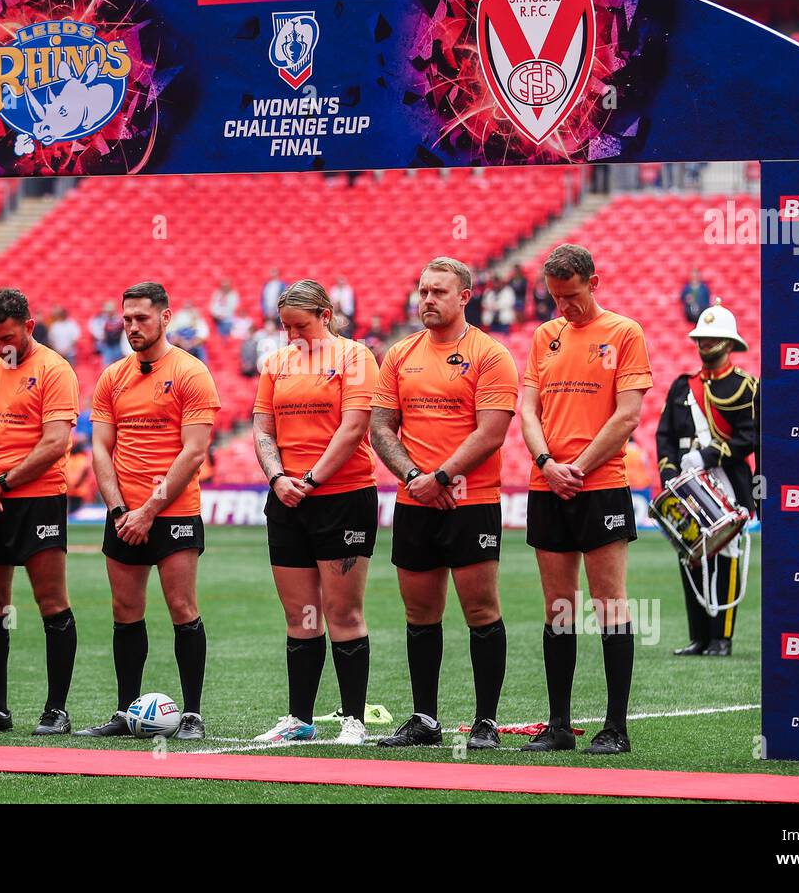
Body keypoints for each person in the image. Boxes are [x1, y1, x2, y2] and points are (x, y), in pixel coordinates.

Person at [371, 257, 519, 750]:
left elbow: (492, 431)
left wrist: (441, 476)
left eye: (438, 291)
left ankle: (486, 722)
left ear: (464, 297)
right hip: (414, 500)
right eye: (422, 290)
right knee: (420, 613)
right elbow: (381, 428)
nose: (427, 299)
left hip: (470, 500)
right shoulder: (399, 354)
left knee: (480, 609)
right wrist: (416, 477)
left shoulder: (491, 355)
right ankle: (424, 719)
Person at [520, 244, 652, 755]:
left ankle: (615, 727)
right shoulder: (543, 336)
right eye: (555, 298)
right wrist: (547, 465)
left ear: (593, 284)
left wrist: (578, 467)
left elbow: (627, 416)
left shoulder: (624, 333)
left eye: (571, 296)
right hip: (547, 485)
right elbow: (527, 410)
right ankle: (558, 726)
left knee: (610, 604)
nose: (563, 308)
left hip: (600, 485)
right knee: (558, 607)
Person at [78, 282, 221, 741]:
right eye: (126, 320)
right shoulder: (111, 377)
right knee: (125, 611)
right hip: (123, 513)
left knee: (182, 607)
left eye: (141, 318)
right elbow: (100, 448)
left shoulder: (191, 372)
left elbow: (194, 452)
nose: (133, 327)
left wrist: (149, 509)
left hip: (174, 511)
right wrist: (121, 509)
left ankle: (193, 714)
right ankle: (125, 711)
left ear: (165, 318)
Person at [251, 281, 381, 745]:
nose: (291, 336)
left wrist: (310, 480)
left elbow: (353, 428)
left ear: (325, 314)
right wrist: (277, 479)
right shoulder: (276, 362)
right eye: (285, 327)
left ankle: (353, 719)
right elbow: (262, 428)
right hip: (286, 499)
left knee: (343, 612)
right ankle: (299, 718)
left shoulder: (355, 357)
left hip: (342, 497)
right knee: (301, 615)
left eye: (299, 326)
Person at [0, 288, 81, 736]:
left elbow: (55, 443)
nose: (0, 347)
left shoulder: (54, 370)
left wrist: (1, 482)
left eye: (8, 337)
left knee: (52, 603)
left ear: (29, 325)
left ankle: (57, 711)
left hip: (37, 499)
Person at [655, 298, 758, 658]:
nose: (705, 343)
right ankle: (699, 636)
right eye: (702, 337)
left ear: (729, 343)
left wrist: (710, 455)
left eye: (713, 338)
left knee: (726, 549)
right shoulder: (682, 386)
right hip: (685, 480)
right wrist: (670, 471)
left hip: (726, 477)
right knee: (690, 552)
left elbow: (751, 435)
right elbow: (664, 435)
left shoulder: (746, 387)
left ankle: (722, 637)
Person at [168, 299, 210, 365]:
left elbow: (202, 336)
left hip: (193, 346)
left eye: (189, 308)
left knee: (199, 349)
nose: (187, 311)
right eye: (185, 308)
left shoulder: (199, 321)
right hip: (179, 346)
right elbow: (171, 334)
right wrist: (181, 341)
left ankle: (203, 368)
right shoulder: (178, 318)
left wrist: (190, 344)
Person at [89, 300, 125, 368]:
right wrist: (102, 335)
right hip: (107, 345)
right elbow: (96, 330)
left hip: (118, 344)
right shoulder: (100, 319)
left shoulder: (120, 319)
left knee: (119, 366)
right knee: (106, 366)